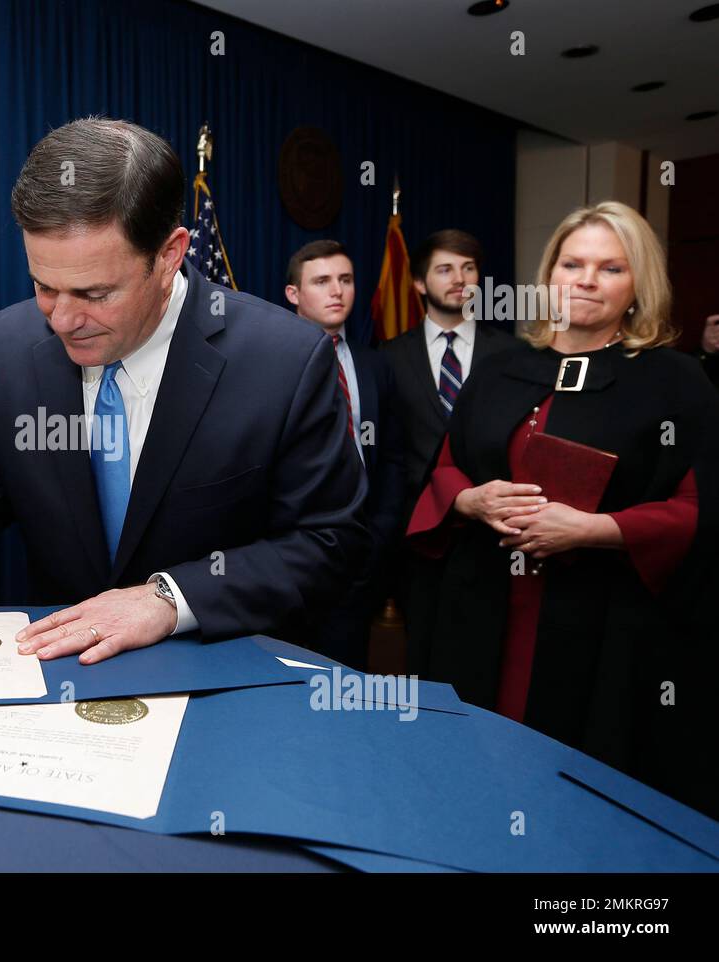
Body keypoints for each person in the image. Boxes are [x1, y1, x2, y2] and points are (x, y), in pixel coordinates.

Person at [0, 118, 370, 664]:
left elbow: (327, 541)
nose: (62, 319)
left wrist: (169, 599)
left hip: (220, 678)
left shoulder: (285, 361)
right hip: (62, 680)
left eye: (96, 292)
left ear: (170, 254)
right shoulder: (4, 347)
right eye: (43, 286)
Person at [405, 201, 719, 816]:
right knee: (472, 785)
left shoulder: (678, 383)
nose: (585, 279)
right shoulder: (500, 369)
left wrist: (599, 529)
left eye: (610, 268)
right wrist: (471, 498)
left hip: (608, 626)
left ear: (638, 285)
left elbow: (699, 509)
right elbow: (445, 468)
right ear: (549, 275)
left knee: (582, 804)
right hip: (486, 603)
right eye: (572, 263)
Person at [284, 240, 404, 667]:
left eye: (346, 280)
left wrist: (382, 533)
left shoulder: (377, 365)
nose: (337, 291)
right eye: (321, 281)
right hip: (288, 561)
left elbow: (392, 457)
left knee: (347, 678)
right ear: (293, 294)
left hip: (361, 557)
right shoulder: (266, 362)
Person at [381, 230, 514, 506]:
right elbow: (387, 450)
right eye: (445, 270)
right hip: (414, 520)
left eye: (468, 268)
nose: (459, 279)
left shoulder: (512, 353)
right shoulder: (387, 357)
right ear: (419, 283)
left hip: (494, 519)